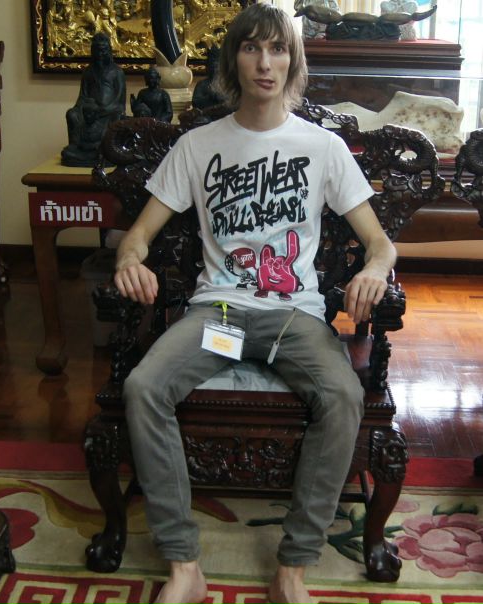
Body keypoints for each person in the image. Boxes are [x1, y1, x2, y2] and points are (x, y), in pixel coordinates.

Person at [114, 4, 397, 604]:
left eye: (277, 49)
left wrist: (375, 270)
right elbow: (137, 235)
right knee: (143, 387)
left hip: (295, 316)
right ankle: (184, 566)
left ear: (293, 61)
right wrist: (129, 260)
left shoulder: (323, 147)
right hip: (217, 313)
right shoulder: (197, 146)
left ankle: (292, 568)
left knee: (343, 396)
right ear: (233, 60)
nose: (265, 63)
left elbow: (379, 242)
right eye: (252, 48)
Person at [62, 32, 125, 166]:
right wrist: (81, 109)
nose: (100, 54)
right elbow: (83, 96)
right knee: (72, 114)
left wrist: (104, 110)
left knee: (118, 116)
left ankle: (106, 150)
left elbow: (119, 99)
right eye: (97, 50)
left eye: (103, 50)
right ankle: (76, 146)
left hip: (109, 111)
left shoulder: (117, 72)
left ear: (109, 50)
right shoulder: (88, 72)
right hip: (90, 111)